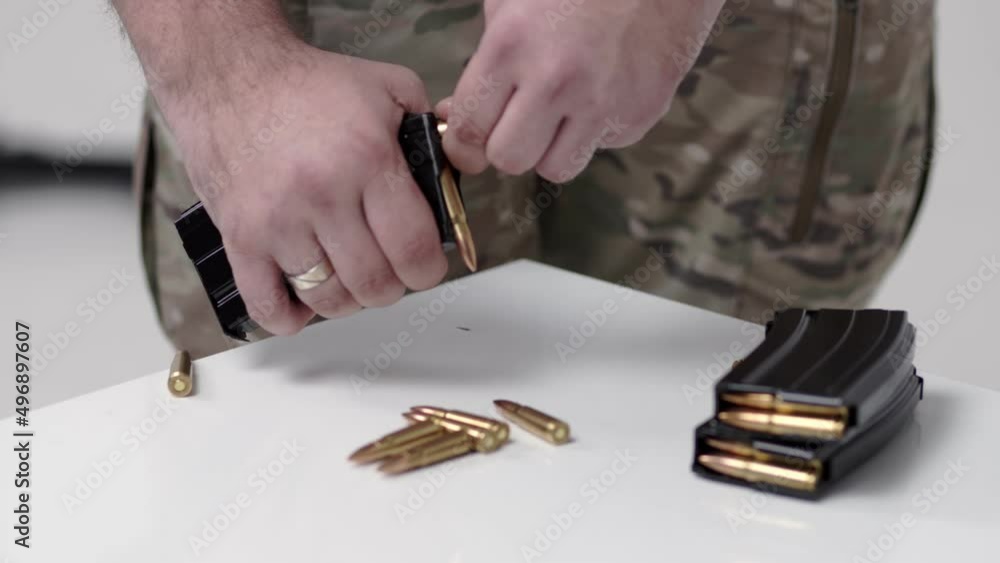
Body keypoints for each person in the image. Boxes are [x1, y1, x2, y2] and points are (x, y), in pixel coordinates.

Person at [113, 0, 936, 358]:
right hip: (309, 44)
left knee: (701, 457)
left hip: (749, 39)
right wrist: (223, 71)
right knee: (302, 471)